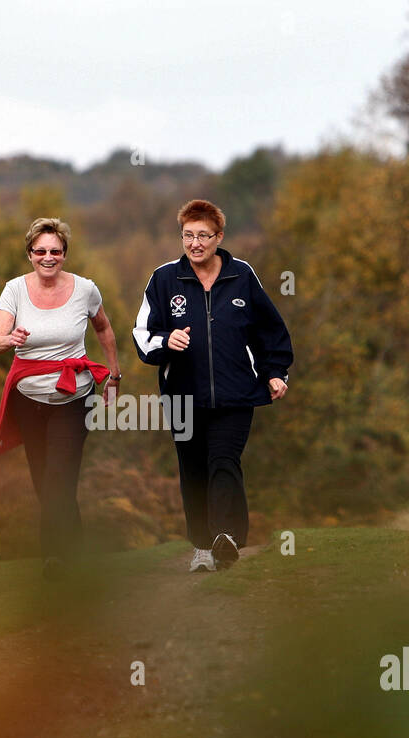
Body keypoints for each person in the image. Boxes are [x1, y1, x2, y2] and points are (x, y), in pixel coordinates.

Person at [132, 199, 293, 572]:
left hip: (236, 392)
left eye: (204, 235)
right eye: (188, 235)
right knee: (193, 470)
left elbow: (270, 330)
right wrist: (166, 341)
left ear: (219, 236)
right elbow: (143, 335)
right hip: (183, 397)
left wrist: (275, 371)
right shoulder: (164, 279)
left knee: (224, 460)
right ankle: (202, 547)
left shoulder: (241, 275)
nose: (195, 243)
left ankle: (227, 537)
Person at [0, 217, 121, 578]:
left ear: (64, 254)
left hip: (74, 397)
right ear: (30, 254)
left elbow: (104, 328)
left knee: (59, 480)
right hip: (28, 402)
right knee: (44, 482)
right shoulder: (14, 290)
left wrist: (114, 373)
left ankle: (54, 559)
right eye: (41, 251)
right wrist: (11, 339)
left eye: (56, 251)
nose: (48, 257)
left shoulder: (85, 290)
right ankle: (75, 552)